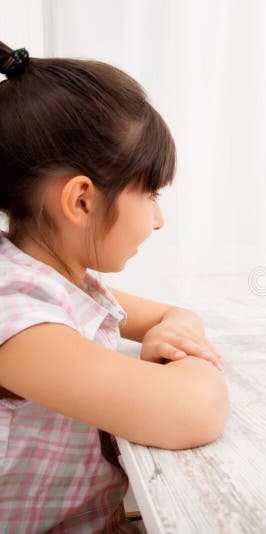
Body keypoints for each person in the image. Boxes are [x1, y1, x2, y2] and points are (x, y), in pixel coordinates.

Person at [0, 42, 228, 531]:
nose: (159, 219)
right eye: (150, 193)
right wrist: (192, 359)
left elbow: (174, 315)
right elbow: (194, 413)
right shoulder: (17, 313)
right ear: (82, 200)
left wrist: (172, 335)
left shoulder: (60, 283)